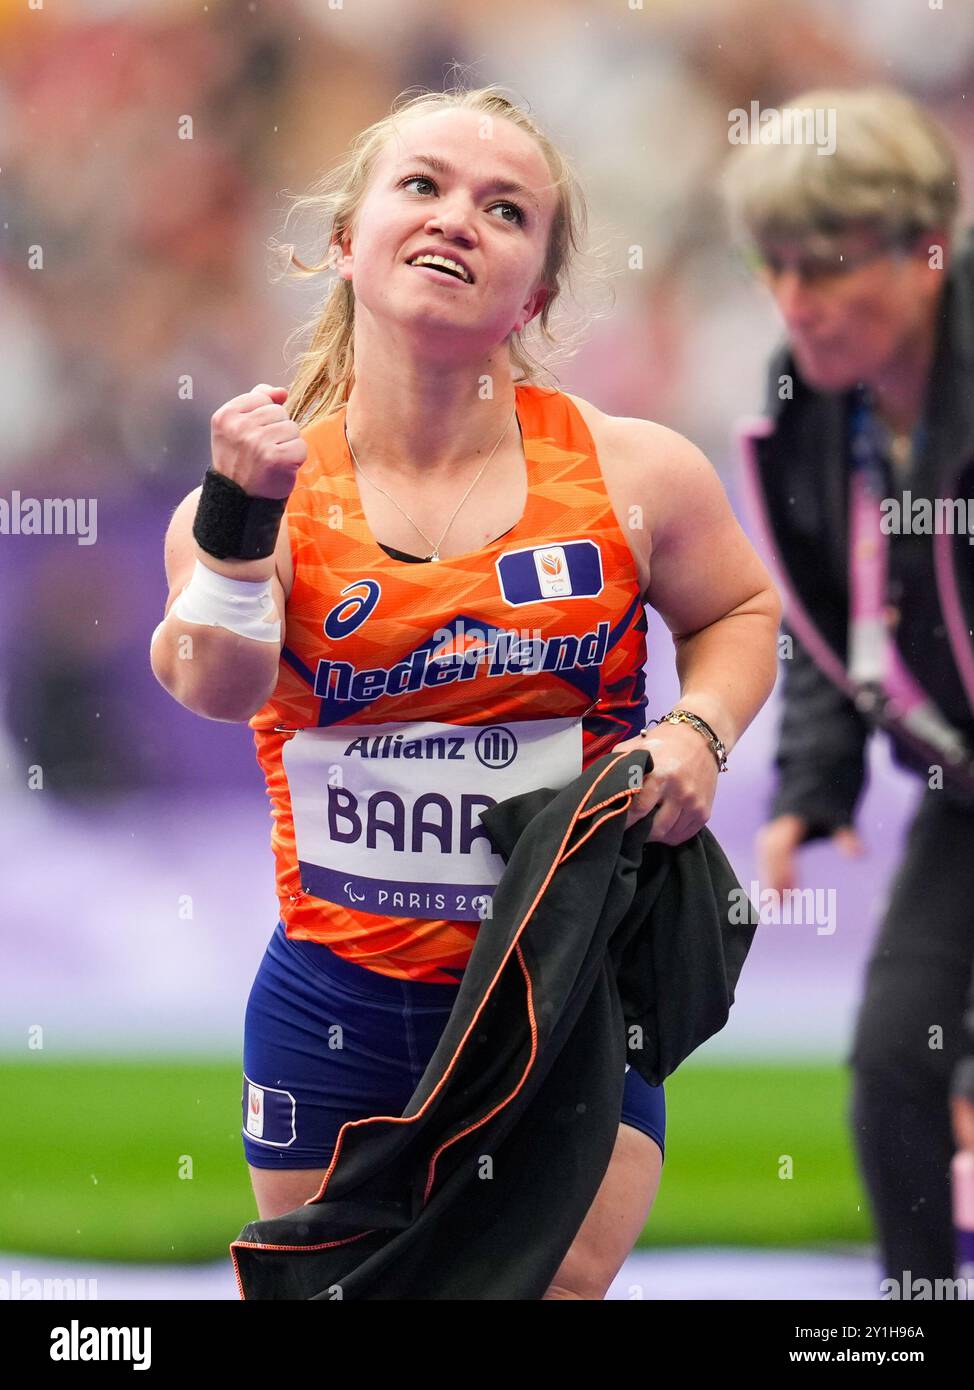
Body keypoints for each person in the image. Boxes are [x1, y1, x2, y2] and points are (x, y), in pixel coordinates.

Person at [151, 83, 780, 1300]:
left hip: (565, 987)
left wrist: (698, 729)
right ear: (347, 241)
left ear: (534, 291)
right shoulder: (260, 492)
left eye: (504, 209)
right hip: (338, 996)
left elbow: (738, 612)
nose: (456, 218)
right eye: (422, 186)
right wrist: (235, 528)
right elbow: (213, 685)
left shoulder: (634, 471)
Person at [724, 85, 974, 1289]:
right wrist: (811, 784)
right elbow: (830, 611)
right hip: (962, 794)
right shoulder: (808, 403)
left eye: (822, 265)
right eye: (771, 265)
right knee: (892, 1064)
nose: (792, 299)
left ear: (924, 252)